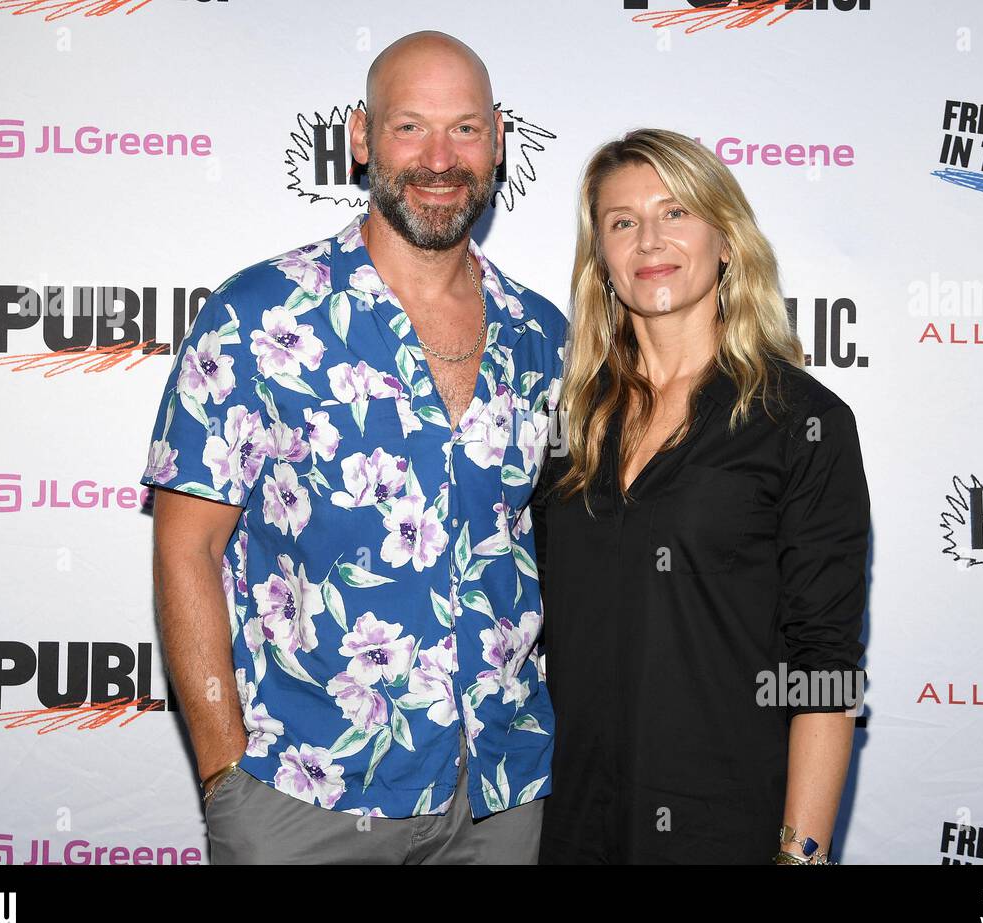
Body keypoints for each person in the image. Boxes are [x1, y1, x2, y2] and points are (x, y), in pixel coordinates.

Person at [138, 31, 566, 864]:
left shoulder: (541, 334)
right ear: (362, 138)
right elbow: (185, 546)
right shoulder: (258, 315)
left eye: (466, 129)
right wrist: (228, 775)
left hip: (500, 795)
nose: (440, 158)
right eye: (410, 127)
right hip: (304, 793)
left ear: (500, 139)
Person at [533, 128, 870, 865]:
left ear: (727, 241)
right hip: (566, 827)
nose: (649, 238)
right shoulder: (569, 426)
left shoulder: (802, 424)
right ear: (602, 262)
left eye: (675, 212)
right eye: (622, 222)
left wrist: (801, 855)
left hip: (726, 830)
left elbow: (825, 665)